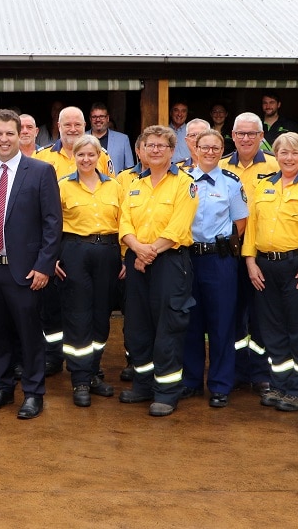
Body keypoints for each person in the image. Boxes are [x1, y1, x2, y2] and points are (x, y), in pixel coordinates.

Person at [0, 110, 62, 419]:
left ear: (21, 134)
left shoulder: (40, 171)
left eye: (10, 133)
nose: (4, 139)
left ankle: (33, 393)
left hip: (26, 271)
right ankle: (3, 387)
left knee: (29, 335)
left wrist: (44, 266)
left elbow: (53, 223)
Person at [243, 132, 298, 412]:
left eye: (294, 153)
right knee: (273, 329)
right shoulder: (265, 185)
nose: (289, 158)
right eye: (283, 153)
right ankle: (279, 386)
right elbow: (253, 224)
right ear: (275, 156)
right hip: (266, 266)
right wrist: (250, 260)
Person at [118, 125, 199, 417]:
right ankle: (143, 385)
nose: (155, 150)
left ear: (171, 150)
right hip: (137, 260)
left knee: (168, 326)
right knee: (138, 325)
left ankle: (166, 392)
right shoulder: (132, 183)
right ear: (141, 150)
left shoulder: (184, 183)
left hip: (169, 262)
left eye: (161, 146)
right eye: (149, 145)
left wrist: (148, 252)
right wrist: (136, 249)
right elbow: (123, 220)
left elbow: (179, 226)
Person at [34, 105, 113, 376]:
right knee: (53, 308)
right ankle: (53, 357)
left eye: (77, 124)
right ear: (58, 126)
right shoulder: (42, 156)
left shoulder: (102, 156)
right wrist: (49, 253)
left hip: (93, 246)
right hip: (60, 245)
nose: (72, 129)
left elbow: (108, 195)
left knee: (88, 308)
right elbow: (40, 210)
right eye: (67, 124)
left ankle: (88, 365)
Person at [55, 135, 124, 407]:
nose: (86, 159)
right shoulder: (62, 186)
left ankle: (94, 372)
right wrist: (52, 258)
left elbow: (125, 223)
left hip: (108, 253)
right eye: (80, 154)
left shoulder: (115, 187)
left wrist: (124, 258)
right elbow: (50, 225)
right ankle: (79, 378)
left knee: (101, 315)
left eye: (91, 154)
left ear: (100, 157)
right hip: (74, 252)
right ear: (74, 157)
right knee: (77, 315)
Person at [181, 129, 248, 409]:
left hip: (219, 260)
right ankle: (191, 381)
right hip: (187, 258)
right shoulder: (181, 180)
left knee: (222, 324)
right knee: (190, 322)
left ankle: (220, 384)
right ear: (194, 149)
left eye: (215, 148)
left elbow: (241, 222)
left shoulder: (232, 182)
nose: (210, 152)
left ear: (222, 151)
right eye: (204, 147)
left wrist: (221, 244)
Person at [220, 112, 280, 395]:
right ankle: (235, 371)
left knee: (261, 315)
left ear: (261, 137)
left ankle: (261, 373)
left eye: (251, 134)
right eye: (240, 134)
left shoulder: (276, 165)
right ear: (232, 136)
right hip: (227, 252)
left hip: (261, 251)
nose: (245, 138)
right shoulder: (218, 165)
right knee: (231, 313)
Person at [88, 102, 135, 171]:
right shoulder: (80, 139)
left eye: (101, 116)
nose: (98, 120)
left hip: (115, 181)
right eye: (94, 117)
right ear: (90, 119)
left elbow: (130, 171)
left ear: (107, 118)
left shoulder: (123, 140)